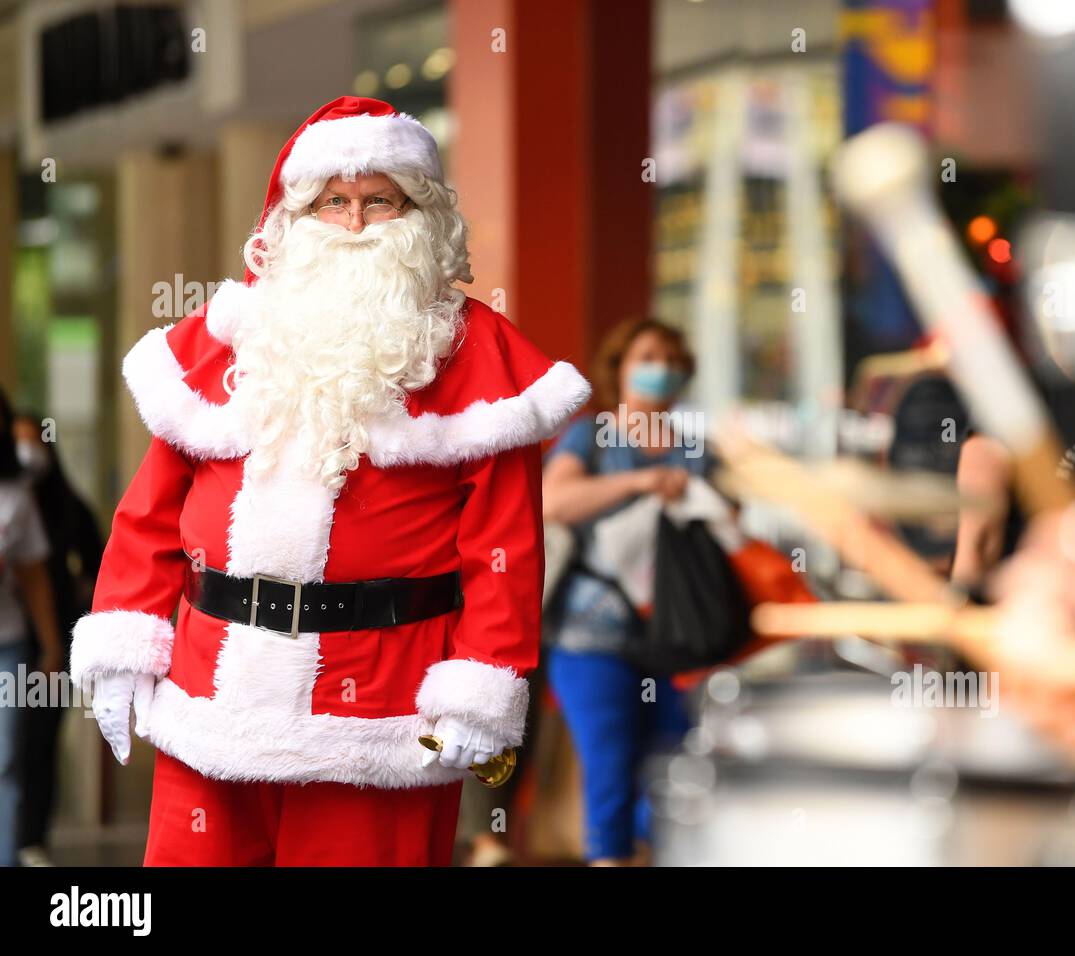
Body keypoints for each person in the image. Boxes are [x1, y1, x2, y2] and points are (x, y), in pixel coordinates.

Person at [67, 96, 591, 866]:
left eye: (380, 201)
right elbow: (149, 514)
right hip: (215, 699)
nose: (354, 225)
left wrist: (484, 682)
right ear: (292, 218)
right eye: (332, 202)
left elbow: (504, 545)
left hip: (380, 715)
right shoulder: (226, 338)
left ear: (421, 216)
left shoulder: (477, 353)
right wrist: (120, 645)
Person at [541, 317, 708, 865]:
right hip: (589, 638)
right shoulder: (592, 436)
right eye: (646, 357)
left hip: (677, 638)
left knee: (673, 775)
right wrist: (638, 483)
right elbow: (552, 502)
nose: (658, 369)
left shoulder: (697, 452)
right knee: (608, 770)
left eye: (668, 359)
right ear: (620, 368)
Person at [12, 412, 103, 866]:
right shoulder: (10, 500)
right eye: (19, 443)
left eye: (36, 442)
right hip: (12, 638)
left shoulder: (68, 506)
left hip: (51, 649)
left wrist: (82, 597)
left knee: (37, 744)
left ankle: (30, 838)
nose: (29, 453)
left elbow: (98, 564)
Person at [0, 388, 63, 867]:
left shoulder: (14, 497)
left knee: (6, 763)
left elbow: (34, 577)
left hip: (8, 645)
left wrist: (49, 646)